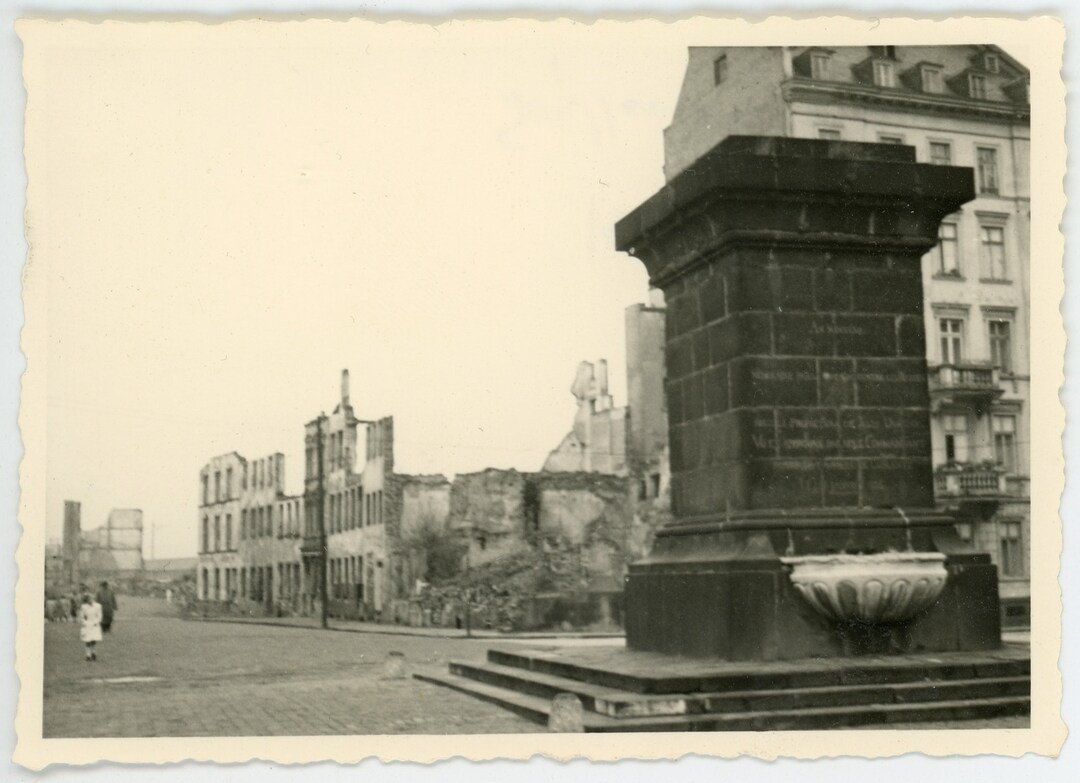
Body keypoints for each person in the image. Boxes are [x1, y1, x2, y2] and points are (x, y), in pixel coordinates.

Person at [79, 594, 103, 661]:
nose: (90, 600)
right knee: (87, 640)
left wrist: (96, 622)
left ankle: (93, 653)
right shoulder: (83, 607)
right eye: (88, 599)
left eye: (91, 599)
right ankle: (88, 655)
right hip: (87, 624)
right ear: (86, 600)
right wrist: (85, 623)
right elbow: (81, 616)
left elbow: (99, 616)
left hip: (95, 624)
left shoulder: (98, 606)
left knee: (93, 639)